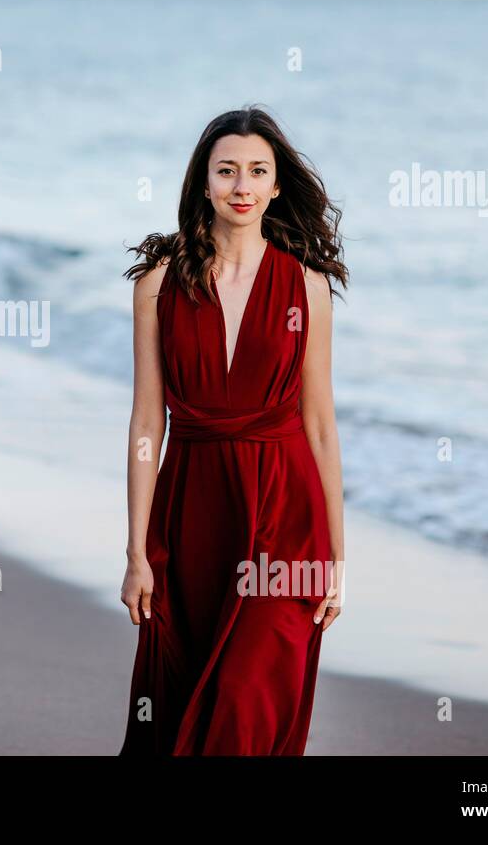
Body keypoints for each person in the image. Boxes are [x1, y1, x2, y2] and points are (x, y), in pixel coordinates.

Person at [119, 105, 349, 755]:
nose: (241, 186)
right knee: (182, 695)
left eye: (256, 171)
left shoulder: (308, 287)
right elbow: (145, 423)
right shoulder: (158, 285)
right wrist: (137, 553)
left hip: (289, 516)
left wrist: (335, 557)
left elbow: (321, 425)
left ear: (277, 186)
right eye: (227, 171)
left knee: (247, 694)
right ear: (204, 182)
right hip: (193, 514)